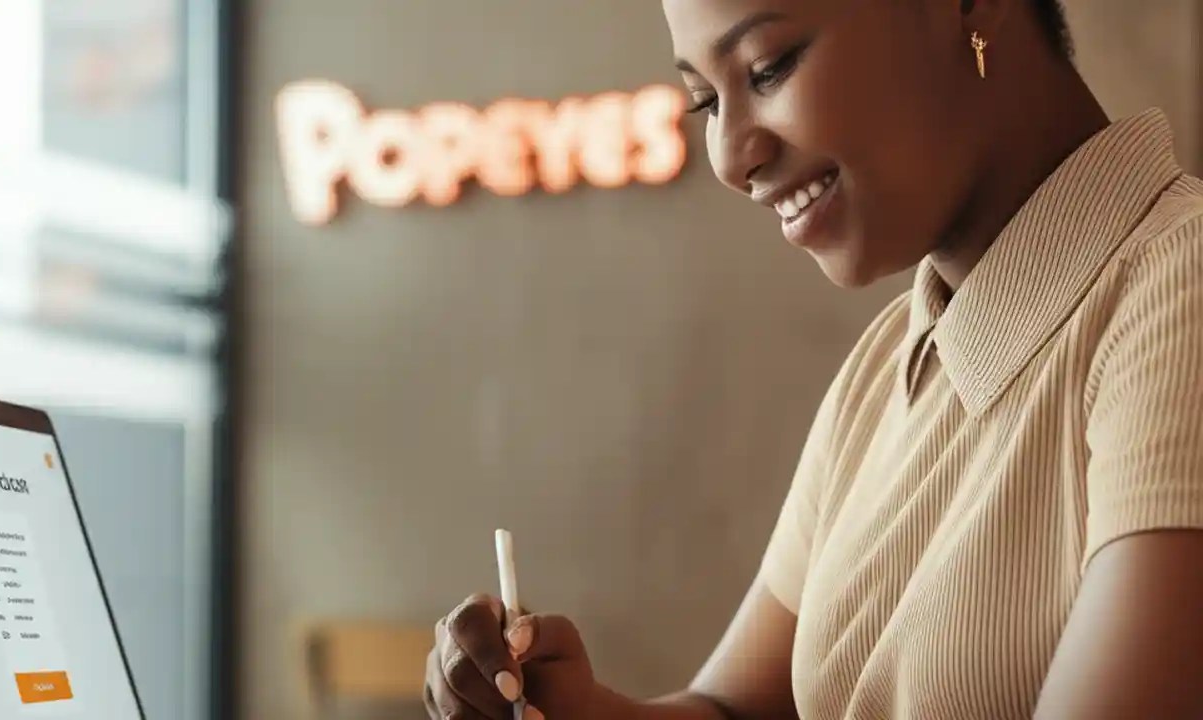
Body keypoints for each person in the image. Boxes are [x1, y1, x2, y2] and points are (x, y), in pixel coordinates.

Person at [424, 0, 1203, 718]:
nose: (730, 156)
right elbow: (730, 710)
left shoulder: (1180, 295)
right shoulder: (884, 369)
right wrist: (572, 709)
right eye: (705, 101)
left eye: (768, 67)